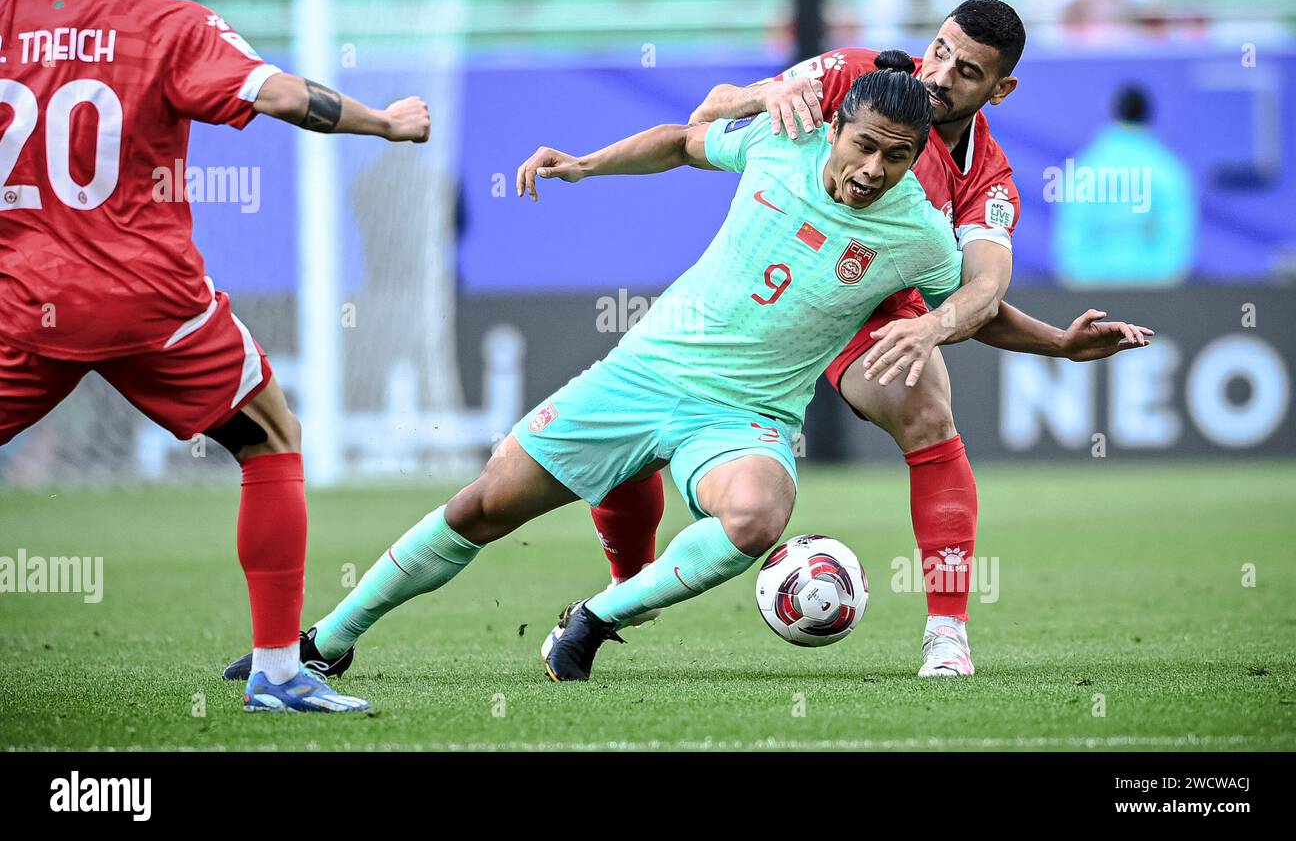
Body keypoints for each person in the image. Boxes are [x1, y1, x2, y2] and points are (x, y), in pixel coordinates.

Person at [226, 53, 977, 683]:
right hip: (643, 373)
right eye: (864, 146)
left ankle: (593, 620)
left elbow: (978, 302)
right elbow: (684, 140)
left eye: (897, 155)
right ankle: (325, 642)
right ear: (836, 128)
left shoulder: (918, 230)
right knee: (483, 506)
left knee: (756, 515)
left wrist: (1055, 341)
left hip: (745, 418)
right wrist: (586, 165)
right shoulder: (781, 142)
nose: (874, 168)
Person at [548, 0, 1154, 678]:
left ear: (999, 90)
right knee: (643, 430)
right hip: (778, 282)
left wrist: (966, 331)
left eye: (969, 70)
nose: (943, 72)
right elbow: (708, 114)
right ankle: (628, 588)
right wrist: (766, 91)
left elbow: (983, 290)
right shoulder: (855, 75)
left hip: (879, 309)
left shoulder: (988, 180)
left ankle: (947, 635)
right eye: (942, 49)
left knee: (928, 412)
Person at [0, 0, 430, 712]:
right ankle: (275, 673)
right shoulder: (168, 24)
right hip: (147, 303)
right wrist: (385, 123)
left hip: (26, 303)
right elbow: (279, 96)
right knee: (271, 438)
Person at [1053, 84, 1196, 288]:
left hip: (1091, 297)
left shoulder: (1083, 168)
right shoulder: (1169, 169)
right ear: (1149, 115)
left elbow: (1070, 243)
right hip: (1156, 297)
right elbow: (1176, 243)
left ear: (1113, 113)